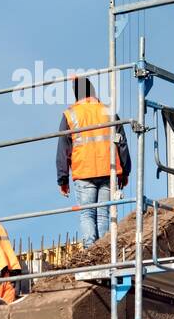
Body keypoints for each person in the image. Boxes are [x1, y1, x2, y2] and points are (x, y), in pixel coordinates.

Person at [56, 76, 131, 246]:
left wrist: (62, 179)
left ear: (76, 95)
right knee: (104, 213)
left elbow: (63, 148)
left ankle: (91, 250)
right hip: (108, 169)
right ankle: (104, 250)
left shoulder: (70, 115)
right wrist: (125, 171)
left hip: (84, 172)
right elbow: (122, 143)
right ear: (93, 91)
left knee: (87, 213)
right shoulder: (109, 112)